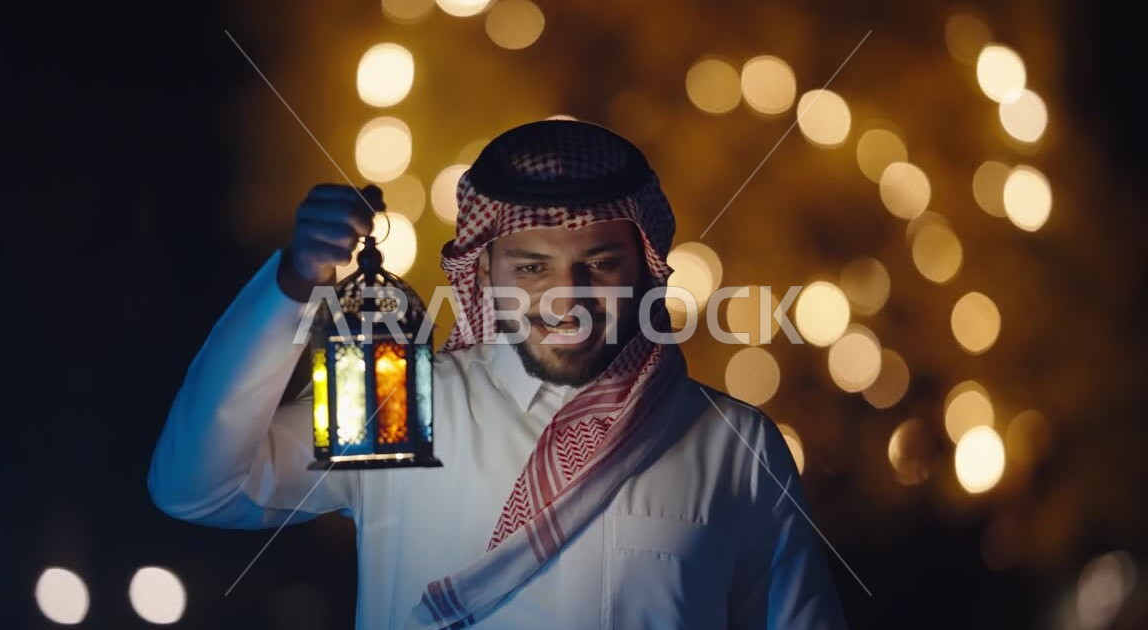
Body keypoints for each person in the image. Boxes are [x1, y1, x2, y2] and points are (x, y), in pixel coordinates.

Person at [148, 120, 849, 629]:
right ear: (482, 270)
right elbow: (196, 490)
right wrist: (296, 284)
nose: (566, 298)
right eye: (531, 266)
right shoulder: (400, 409)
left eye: (600, 265)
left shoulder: (736, 446)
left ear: (647, 270)